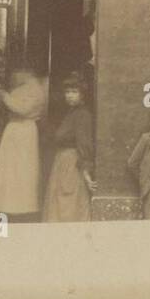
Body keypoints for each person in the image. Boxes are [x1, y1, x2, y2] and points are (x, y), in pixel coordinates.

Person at [0, 68, 47, 220]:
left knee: (20, 170)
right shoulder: (24, 86)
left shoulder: (35, 88)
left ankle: (20, 206)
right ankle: (4, 204)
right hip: (15, 130)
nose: (13, 76)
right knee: (9, 169)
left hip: (24, 131)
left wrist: (5, 97)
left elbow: (23, 109)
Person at [43, 71, 95, 222]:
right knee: (60, 202)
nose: (70, 95)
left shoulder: (83, 115)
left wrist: (86, 173)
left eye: (74, 92)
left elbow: (84, 144)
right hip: (62, 161)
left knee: (68, 203)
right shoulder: (72, 113)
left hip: (72, 164)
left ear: (82, 95)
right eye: (67, 92)